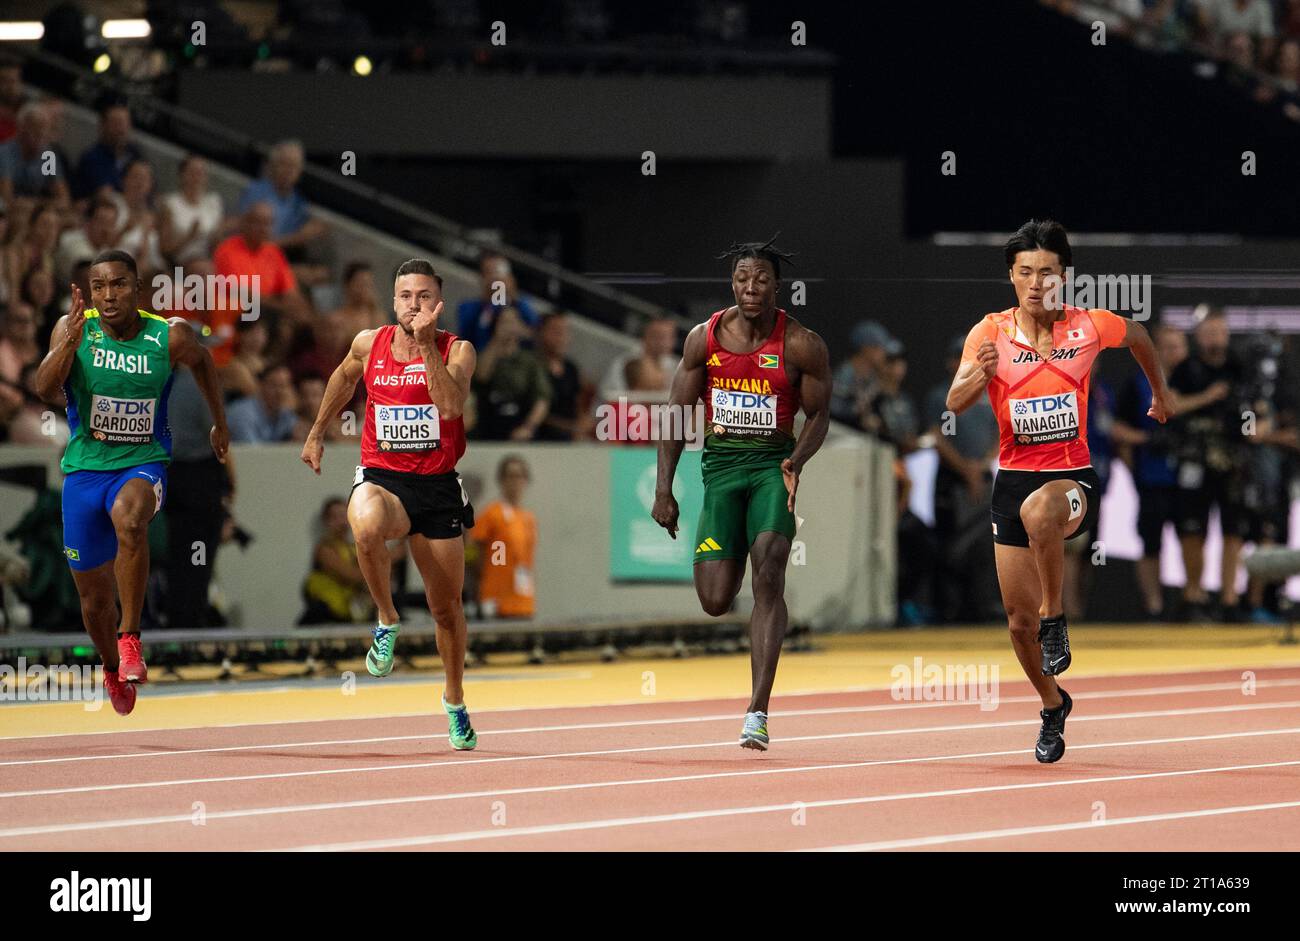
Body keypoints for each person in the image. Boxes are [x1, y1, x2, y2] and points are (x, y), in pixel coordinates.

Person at [945, 219, 1173, 763]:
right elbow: (955, 403)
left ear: (1063, 277)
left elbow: (1138, 335)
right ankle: (1052, 704)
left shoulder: (1089, 326)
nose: (1036, 282)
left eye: (1047, 271)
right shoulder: (989, 332)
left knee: (1043, 510)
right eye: (1025, 272)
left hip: (1072, 479)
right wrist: (981, 374)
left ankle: (1056, 616)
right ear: (1012, 277)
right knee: (1016, 626)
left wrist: (1160, 396)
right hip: (1013, 479)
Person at [32, 249, 229, 716]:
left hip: (143, 461)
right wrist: (67, 343)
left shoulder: (168, 336)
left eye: (118, 285)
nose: (108, 295)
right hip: (84, 469)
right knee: (94, 600)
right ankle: (108, 664)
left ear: (137, 289)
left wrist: (219, 422)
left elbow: (203, 362)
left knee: (131, 518)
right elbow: (43, 390)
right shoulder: (74, 328)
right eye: (98, 287)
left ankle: (131, 639)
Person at [652, 237, 831, 750]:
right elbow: (675, 413)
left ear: (778, 287)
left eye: (761, 280)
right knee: (713, 600)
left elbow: (819, 412)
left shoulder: (801, 344)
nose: (751, 288)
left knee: (769, 569)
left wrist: (797, 460)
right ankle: (749, 629)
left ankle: (757, 710)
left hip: (773, 465)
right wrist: (664, 488)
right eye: (742, 279)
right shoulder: (703, 339)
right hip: (721, 469)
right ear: (733, 284)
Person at [300, 258, 479, 751]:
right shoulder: (368, 343)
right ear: (393, 300)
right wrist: (317, 433)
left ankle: (455, 701)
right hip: (382, 476)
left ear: (438, 304)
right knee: (365, 524)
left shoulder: (457, 350)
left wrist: (424, 348)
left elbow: (449, 407)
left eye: (424, 297)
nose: (414, 305)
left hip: (437, 486)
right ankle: (386, 618)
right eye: (405, 296)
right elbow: (341, 379)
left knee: (446, 611)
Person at [1166, 307, 1248, 621]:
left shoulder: (1239, 367)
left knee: (1233, 529)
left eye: (1220, 331)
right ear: (1198, 336)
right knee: (1191, 528)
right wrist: (1207, 397)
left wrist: (1253, 428)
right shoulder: (1186, 369)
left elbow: (1254, 407)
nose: (1215, 338)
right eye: (1209, 332)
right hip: (1194, 458)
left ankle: (1229, 599)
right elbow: (1170, 406)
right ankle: (1194, 595)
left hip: (1233, 461)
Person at [1112, 324, 1188, 619]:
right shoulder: (1136, 384)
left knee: (1191, 536)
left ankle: (1189, 600)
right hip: (1152, 477)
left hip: (1188, 476)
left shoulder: (1196, 380)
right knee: (1150, 540)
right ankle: (1154, 604)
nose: (1174, 353)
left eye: (1178, 346)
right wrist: (1147, 440)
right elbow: (1118, 429)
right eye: (1167, 346)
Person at [471, 305, 551, 441]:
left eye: (513, 322)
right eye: (504, 322)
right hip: (487, 421)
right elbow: (480, 376)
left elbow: (542, 398)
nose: (509, 327)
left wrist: (528, 427)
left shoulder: (530, 360)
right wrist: (496, 341)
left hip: (519, 420)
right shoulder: (483, 354)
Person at [471, 455, 538, 618]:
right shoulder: (491, 514)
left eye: (520, 476)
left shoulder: (528, 519)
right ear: (501, 480)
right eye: (511, 476)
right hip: (496, 601)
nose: (515, 482)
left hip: (523, 601)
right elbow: (471, 551)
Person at [299, 497, 369, 624]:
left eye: (345, 516)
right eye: (336, 517)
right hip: (325, 617)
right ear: (326, 522)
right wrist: (391, 558)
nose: (342, 522)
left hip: (348, 615)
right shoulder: (324, 549)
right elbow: (353, 576)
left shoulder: (353, 548)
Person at [456, 251, 538, 349]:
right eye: (489, 273)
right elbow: (466, 338)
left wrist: (511, 295)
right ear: (482, 277)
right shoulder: (468, 307)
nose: (495, 278)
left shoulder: (523, 304)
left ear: (510, 277)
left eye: (499, 272)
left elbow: (537, 334)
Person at [158, 154, 225, 272]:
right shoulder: (170, 204)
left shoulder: (213, 203)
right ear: (182, 175)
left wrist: (217, 239)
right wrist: (189, 236)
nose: (197, 177)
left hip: (205, 262)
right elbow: (164, 249)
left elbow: (216, 245)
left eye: (201, 173)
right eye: (193, 172)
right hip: (177, 264)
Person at [72, 101, 142, 202]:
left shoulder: (136, 155)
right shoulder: (92, 158)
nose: (122, 130)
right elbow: (106, 194)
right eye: (117, 124)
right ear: (103, 126)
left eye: (125, 123)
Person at [535, 311, 589, 441]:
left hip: (570, 435)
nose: (562, 337)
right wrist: (569, 426)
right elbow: (532, 410)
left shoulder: (571, 368)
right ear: (541, 332)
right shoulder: (532, 366)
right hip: (540, 436)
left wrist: (582, 423)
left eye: (565, 331)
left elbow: (578, 404)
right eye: (556, 331)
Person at [599, 315, 678, 402]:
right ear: (645, 335)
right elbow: (610, 397)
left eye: (669, 337)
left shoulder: (674, 366)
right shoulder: (624, 364)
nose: (664, 342)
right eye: (658, 336)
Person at [226, 364, 297, 443]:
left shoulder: (287, 414)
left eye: (284, 386)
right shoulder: (242, 413)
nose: (280, 392)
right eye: (274, 385)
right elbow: (253, 453)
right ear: (260, 386)